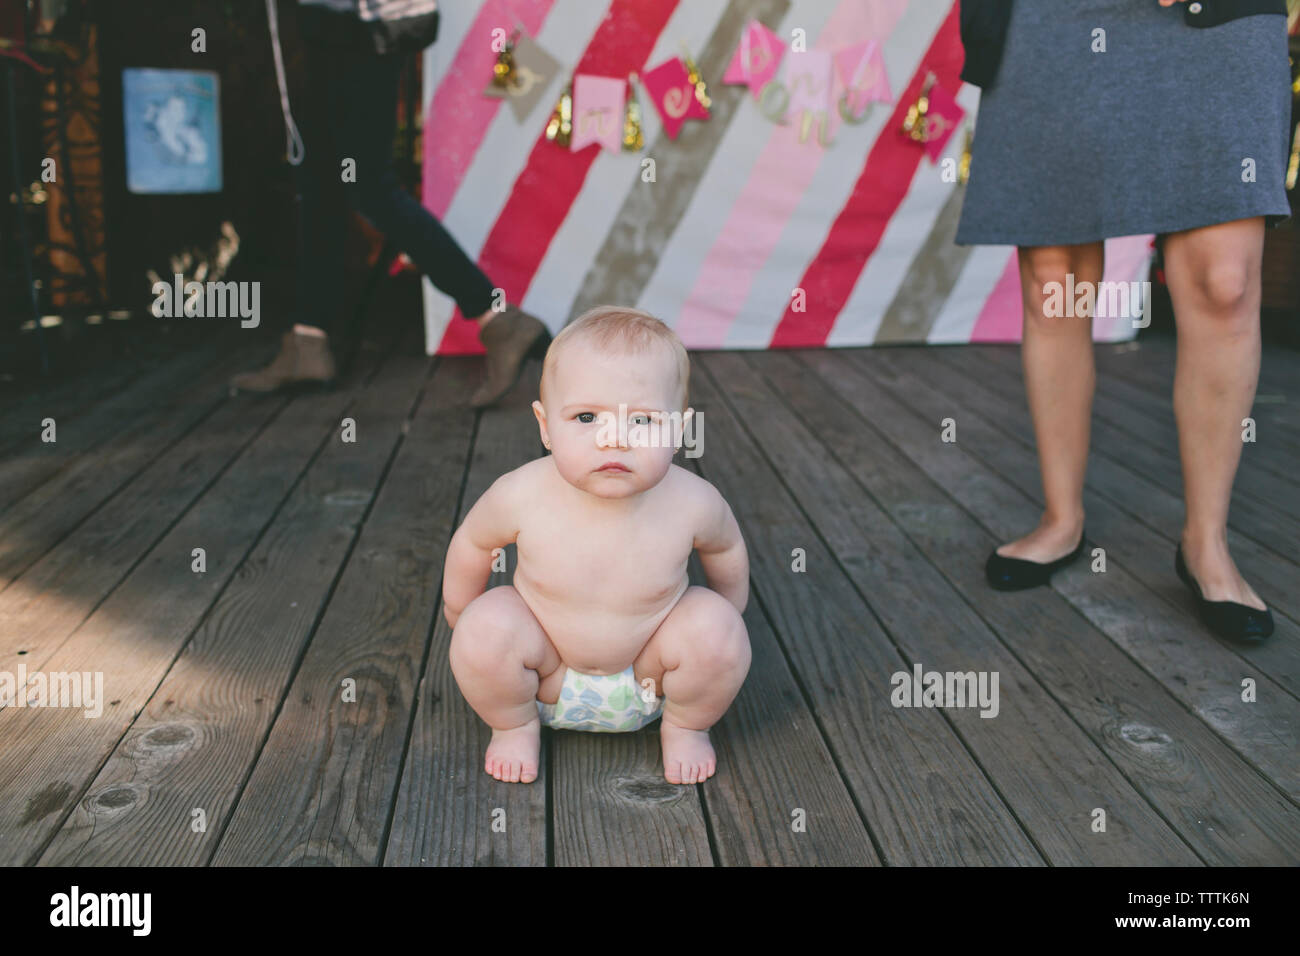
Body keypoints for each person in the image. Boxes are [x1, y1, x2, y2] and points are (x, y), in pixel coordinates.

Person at [954, 0, 1290, 642]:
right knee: (1057, 279)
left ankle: (1205, 543)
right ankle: (1061, 519)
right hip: (1057, 18)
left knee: (1224, 282)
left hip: (1212, 20)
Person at [442, 306, 751, 784]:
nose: (614, 440)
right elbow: (472, 544)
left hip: (652, 677)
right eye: (587, 417)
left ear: (680, 429)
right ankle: (512, 725)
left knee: (716, 629)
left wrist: (729, 616)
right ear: (545, 427)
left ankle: (688, 725)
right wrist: (460, 614)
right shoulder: (521, 493)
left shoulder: (693, 501)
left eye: (643, 421)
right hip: (544, 675)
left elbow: (726, 549)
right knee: (484, 629)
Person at [233, 0, 548, 407]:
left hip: (360, 26)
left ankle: (496, 316)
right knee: (323, 185)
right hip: (350, 24)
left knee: (367, 187)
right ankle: (308, 338)